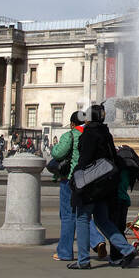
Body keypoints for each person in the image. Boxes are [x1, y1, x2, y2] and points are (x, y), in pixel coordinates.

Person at [67, 104, 136, 269]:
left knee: (83, 219)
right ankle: (127, 249)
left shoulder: (89, 134)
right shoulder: (106, 133)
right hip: (105, 184)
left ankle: (83, 260)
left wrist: (76, 177)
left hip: (90, 183)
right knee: (103, 220)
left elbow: (85, 159)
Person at [50, 111, 104, 261]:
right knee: (82, 214)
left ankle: (65, 252)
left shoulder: (70, 135)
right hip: (88, 179)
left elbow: (58, 154)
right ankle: (97, 240)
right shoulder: (91, 135)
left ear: (73, 124)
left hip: (70, 179)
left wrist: (54, 147)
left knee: (68, 215)